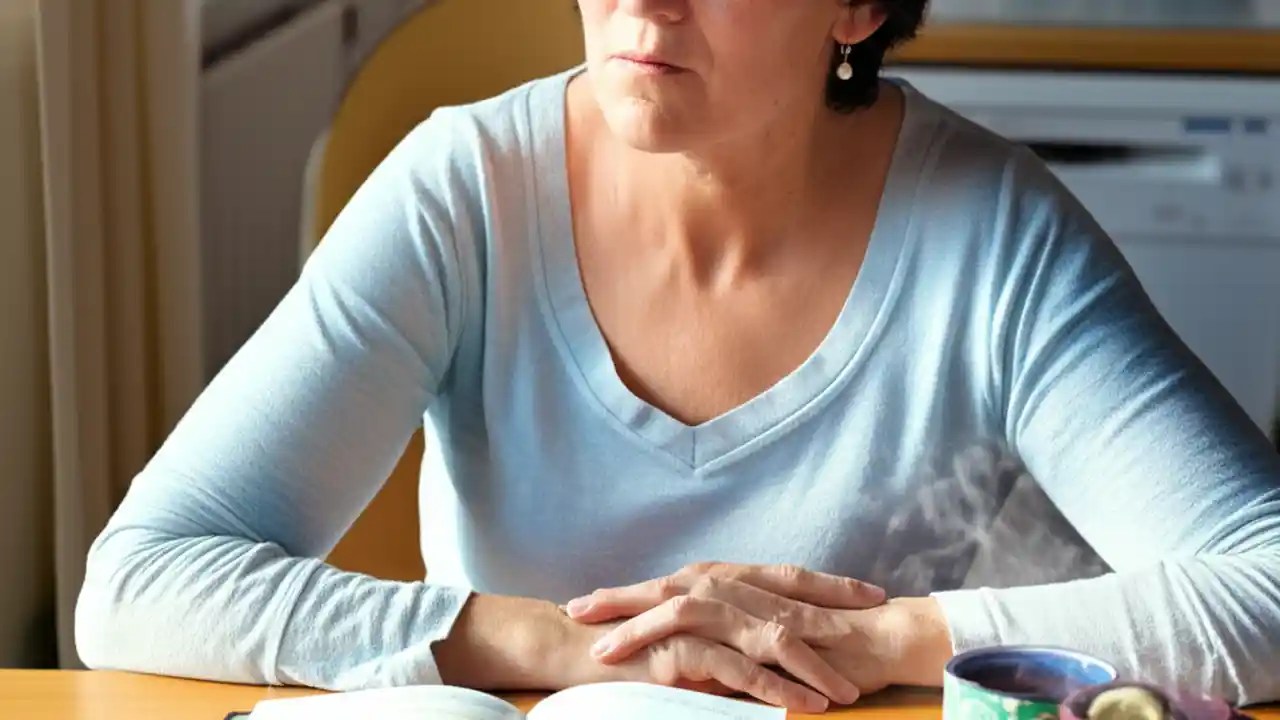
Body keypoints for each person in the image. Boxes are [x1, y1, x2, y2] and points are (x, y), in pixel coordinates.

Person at [75, 0, 1280, 713]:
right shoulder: (463, 194)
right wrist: (553, 643)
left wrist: (874, 642)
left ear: (856, 7)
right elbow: (140, 582)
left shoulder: (996, 238)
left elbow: (1264, 580)